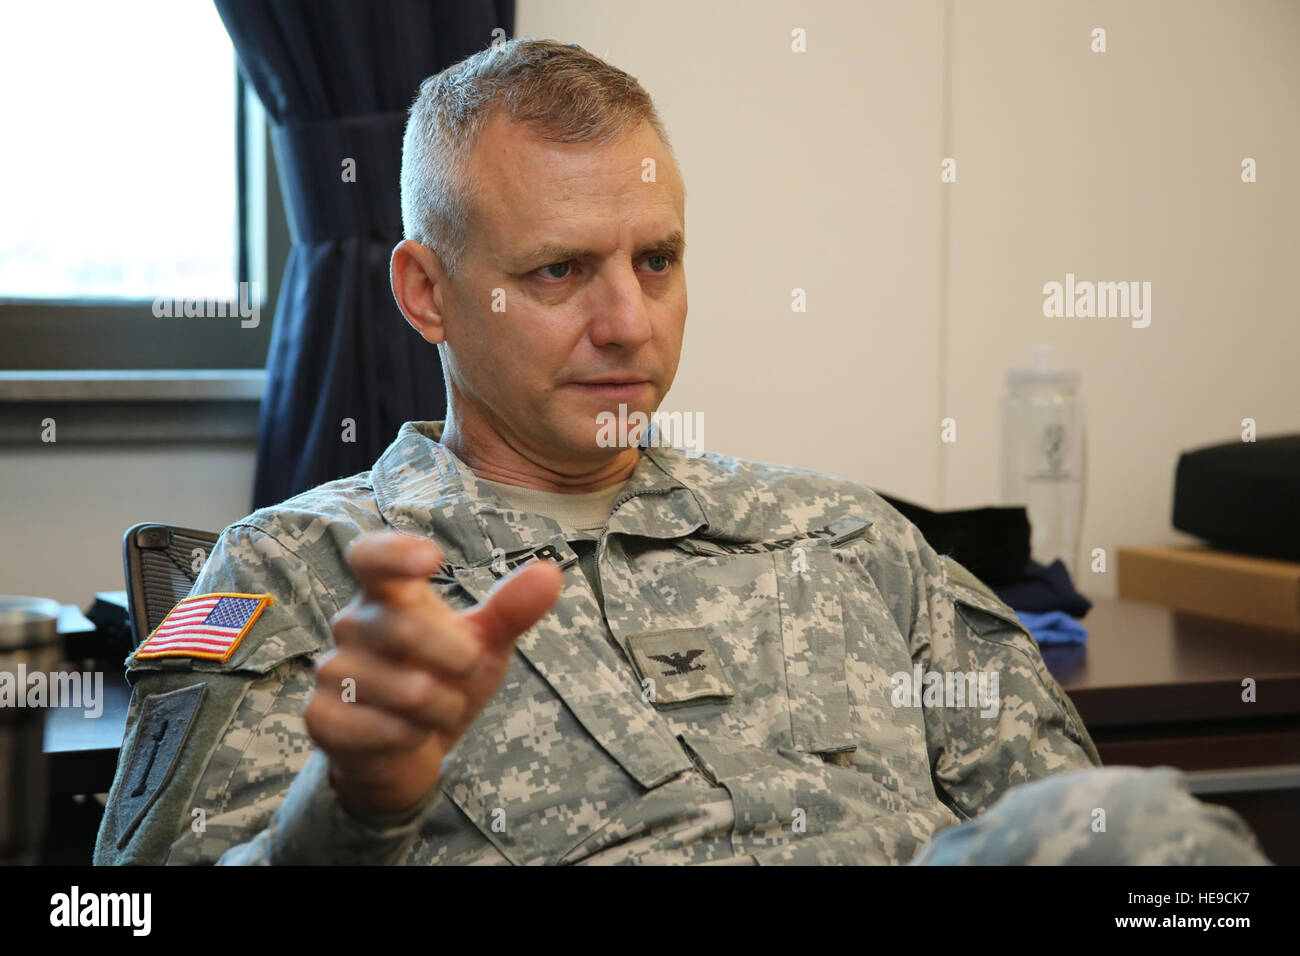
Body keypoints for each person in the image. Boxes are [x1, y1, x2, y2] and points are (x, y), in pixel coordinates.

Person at [94, 38, 1268, 866]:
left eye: (655, 260)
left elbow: (1075, 822)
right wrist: (348, 808)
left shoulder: (848, 540)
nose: (628, 323)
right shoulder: (302, 569)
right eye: (558, 271)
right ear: (426, 291)